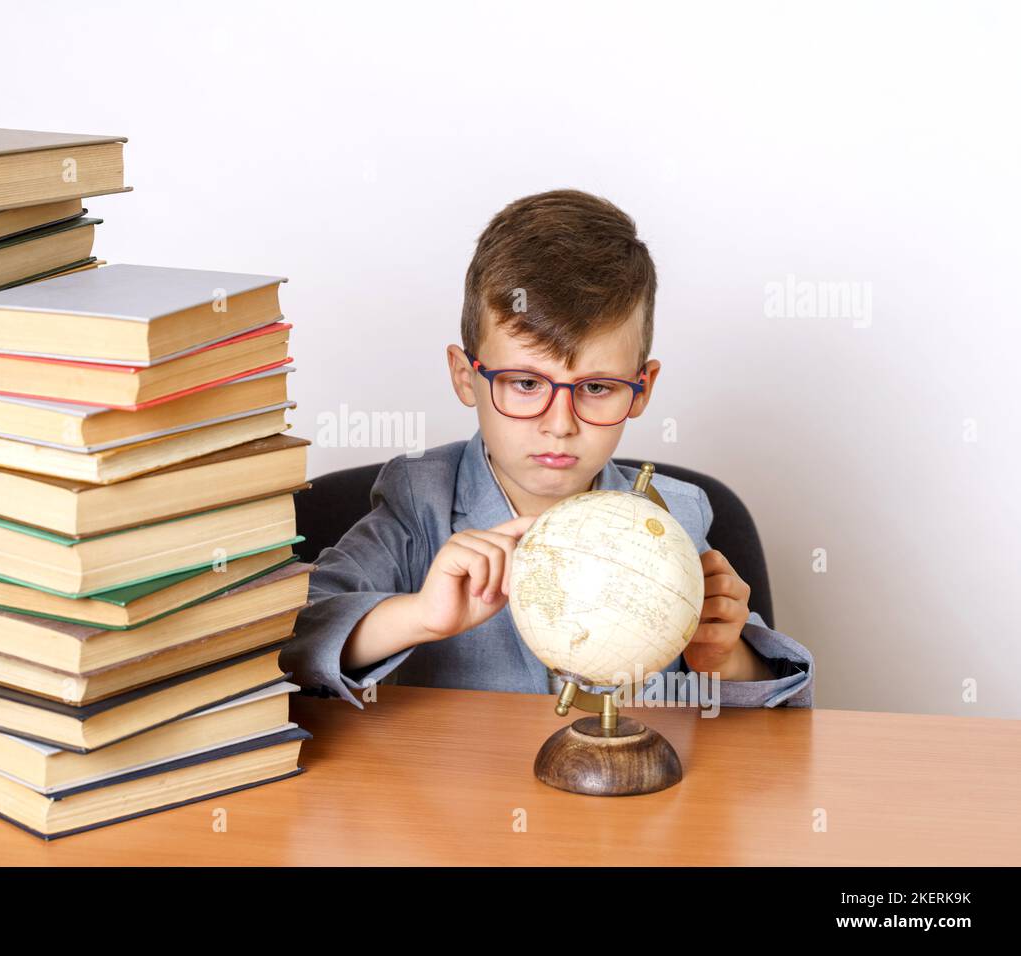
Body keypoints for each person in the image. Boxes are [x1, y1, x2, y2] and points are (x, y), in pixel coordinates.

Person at [281, 189, 814, 711]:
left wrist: (724, 655)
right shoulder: (418, 501)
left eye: (597, 388)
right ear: (466, 377)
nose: (560, 425)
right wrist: (419, 615)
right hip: (464, 795)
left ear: (642, 389)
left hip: (632, 802)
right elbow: (287, 641)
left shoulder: (674, 517)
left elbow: (789, 719)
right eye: (526, 384)